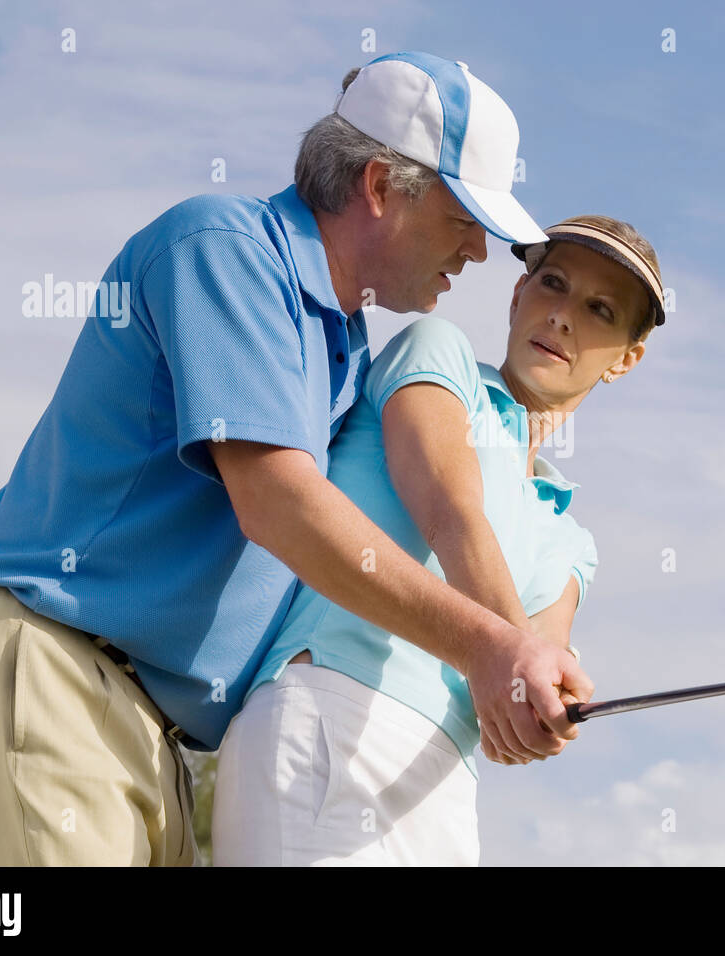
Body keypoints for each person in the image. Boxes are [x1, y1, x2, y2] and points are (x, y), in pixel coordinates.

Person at [0, 51, 593, 866]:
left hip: (146, 731)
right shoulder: (227, 250)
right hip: (51, 667)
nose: (479, 252)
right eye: (463, 218)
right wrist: (488, 646)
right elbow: (278, 502)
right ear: (379, 187)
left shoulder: (343, 347)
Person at [212, 215, 667, 865]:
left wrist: (544, 707)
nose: (563, 316)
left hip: (442, 781)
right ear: (517, 296)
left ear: (626, 358)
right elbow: (448, 503)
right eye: (553, 284)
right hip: (332, 716)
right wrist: (517, 659)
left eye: (599, 309)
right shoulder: (438, 351)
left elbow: (534, 665)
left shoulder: (571, 541)